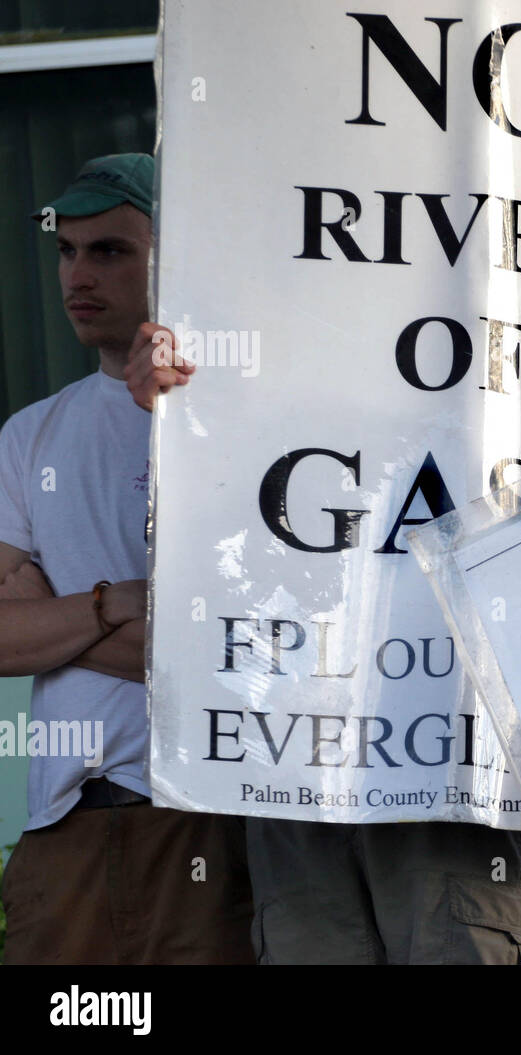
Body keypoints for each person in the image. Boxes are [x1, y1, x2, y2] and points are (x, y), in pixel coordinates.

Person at [126, 221, 521, 967]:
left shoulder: (482, 380)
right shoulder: (246, 401)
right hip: (292, 768)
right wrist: (181, 419)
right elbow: (213, 568)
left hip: (451, 772)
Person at [0, 153, 254, 963]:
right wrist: (119, 601)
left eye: (109, 251)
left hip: (203, 813)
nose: (79, 273)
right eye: (68, 251)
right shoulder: (27, 434)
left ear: (170, 257)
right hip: (60, 824)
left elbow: (221, 643)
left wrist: (57, 609)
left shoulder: (232, 416)